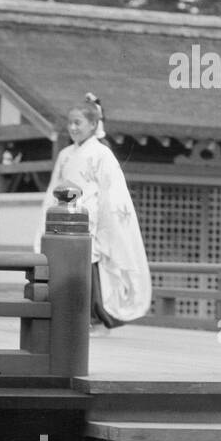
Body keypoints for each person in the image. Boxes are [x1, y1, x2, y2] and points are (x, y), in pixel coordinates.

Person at [36, 93, 151, 330]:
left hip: (92, 219)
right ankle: (66, 317)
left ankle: (92, 318)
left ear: (93, 125)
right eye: (70, 122)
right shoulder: (65, 155)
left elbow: (113, 192)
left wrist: (106, 222)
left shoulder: (102, 154)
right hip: (65, 217)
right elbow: (53, 190)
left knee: (91, 269)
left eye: (78, 122)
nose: (73, 127)